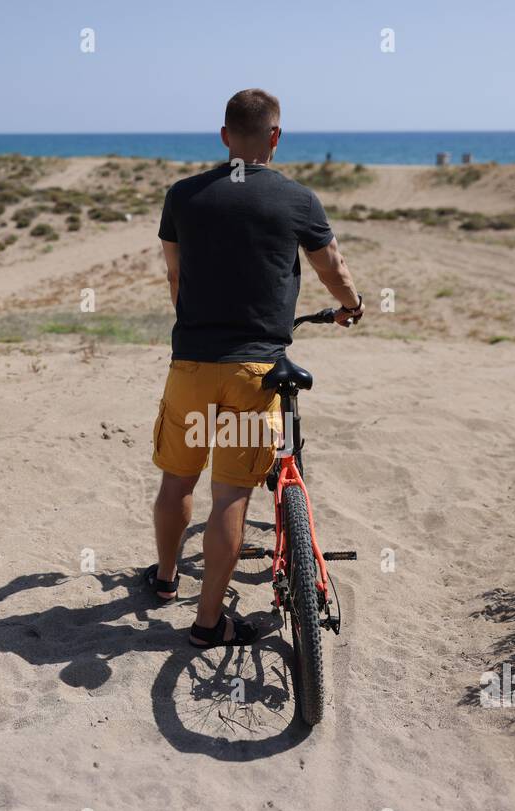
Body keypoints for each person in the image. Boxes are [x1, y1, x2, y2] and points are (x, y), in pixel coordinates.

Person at [146, 88, 363, 648]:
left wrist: (195, 325)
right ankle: (207, 623)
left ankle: (167, 579)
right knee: (231, 497)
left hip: (191, 365)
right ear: (276, 137)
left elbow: (175, 276)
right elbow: (331, 267)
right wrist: (352, 306)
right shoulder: (297, 200)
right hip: (253, 372)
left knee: (176, 480)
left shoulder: (183, 196)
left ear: (223, 136)